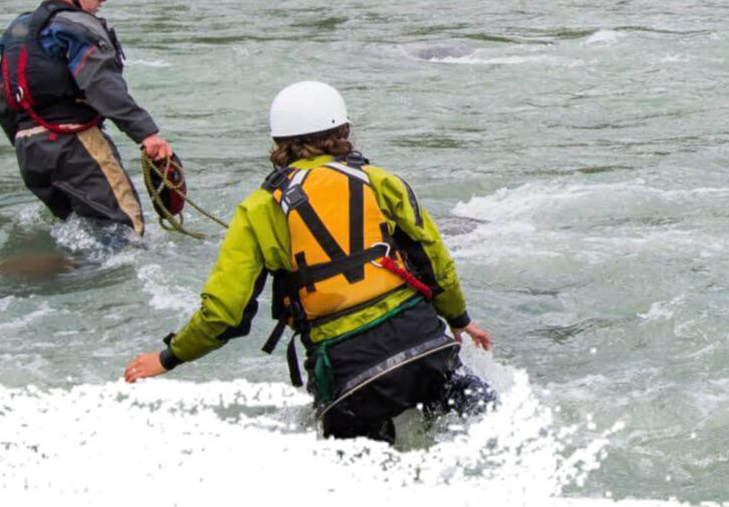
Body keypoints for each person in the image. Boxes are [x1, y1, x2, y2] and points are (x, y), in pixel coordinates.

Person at [122, 80, 495, 443]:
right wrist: (460, 319)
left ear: (277, 144)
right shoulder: (381, 181)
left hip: (348, 374)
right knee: (480, 421)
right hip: (424, 345)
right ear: (345, 130)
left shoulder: (259, 209)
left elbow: (224, 314)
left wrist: (170, 357)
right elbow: (435, 261)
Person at [0, 0, 173, 236]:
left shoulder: (17, 31)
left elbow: (0, 102)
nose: (103, 0)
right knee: (126, 229)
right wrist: (146, 133)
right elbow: (101, 85)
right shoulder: (78, 26)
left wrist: (27, 139)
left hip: (29, 152)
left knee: (78, 232)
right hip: (74, 145)